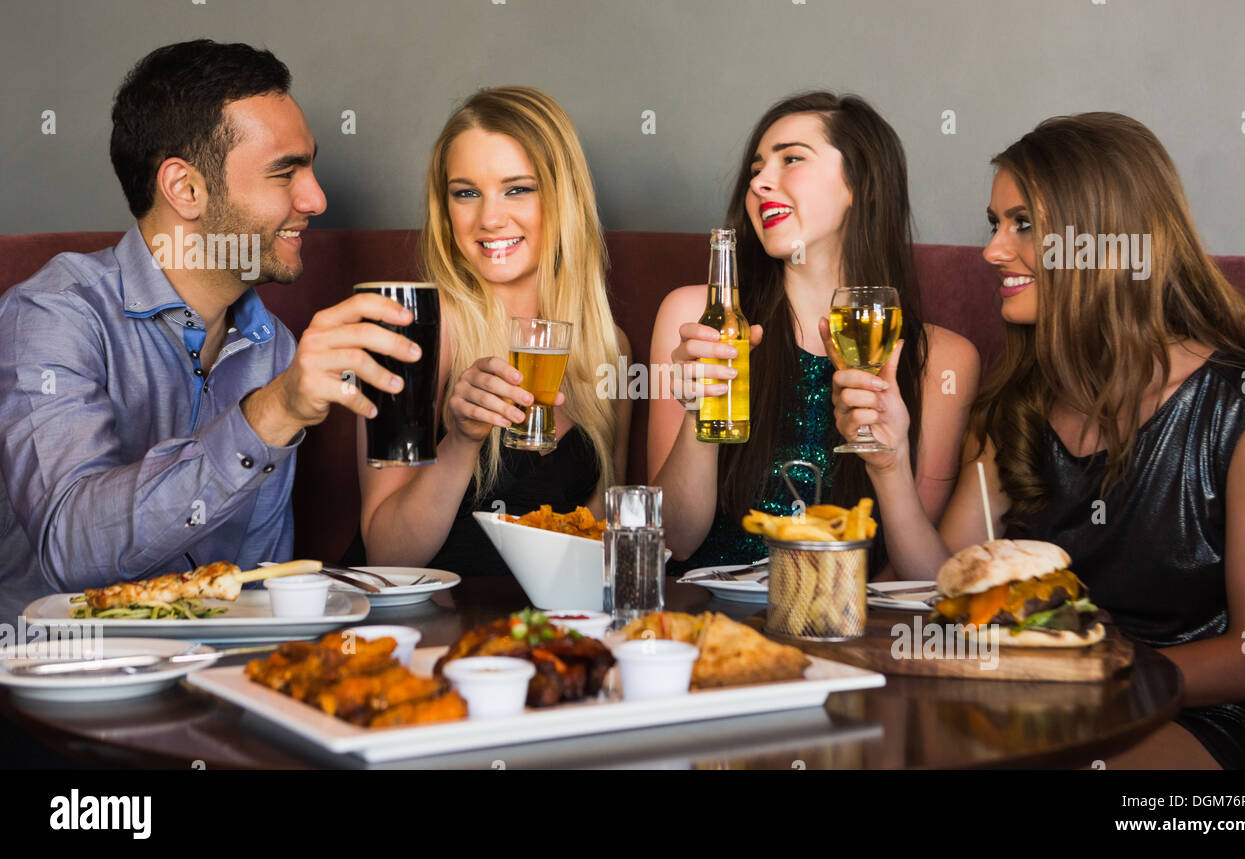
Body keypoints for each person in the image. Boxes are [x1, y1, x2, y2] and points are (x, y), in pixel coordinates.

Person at [832, 112, 1245, 768]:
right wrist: (887, 466)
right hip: (1035, 710)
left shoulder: (1244, 412)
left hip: (1198, 723)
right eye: (995, 224)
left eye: (1022, 224)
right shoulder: (1023, 398)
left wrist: (1077, 676)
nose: (994, 250)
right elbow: (944, 585)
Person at [0, 40, 422, 625]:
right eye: (285, 172)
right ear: (185, 189)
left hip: (216, 679)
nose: (316, 198)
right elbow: (73, 548)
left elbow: (255, 588)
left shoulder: (273, 346)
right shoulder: (52, 315)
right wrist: (269, 414)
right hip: (63, 686)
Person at [648, 92, 979, 572]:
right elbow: (671, 541)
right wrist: (704, 414)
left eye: (792, 159)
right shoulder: (698, 316)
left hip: (848, 630)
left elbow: (917, 581)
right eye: (756, 168)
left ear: (861, 184)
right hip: (712, 623)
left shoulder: (944, 360)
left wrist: (890, 465)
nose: (760, 182)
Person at [357, 87, 632, 574]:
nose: (489, 218)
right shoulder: (407, 331)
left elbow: (594, 540)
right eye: (466, 193)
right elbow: (387, 553)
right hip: (422, 628)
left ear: (562, 197)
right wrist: (461, 442)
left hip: (541, 630)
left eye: (517, 188)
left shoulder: (608, 346)